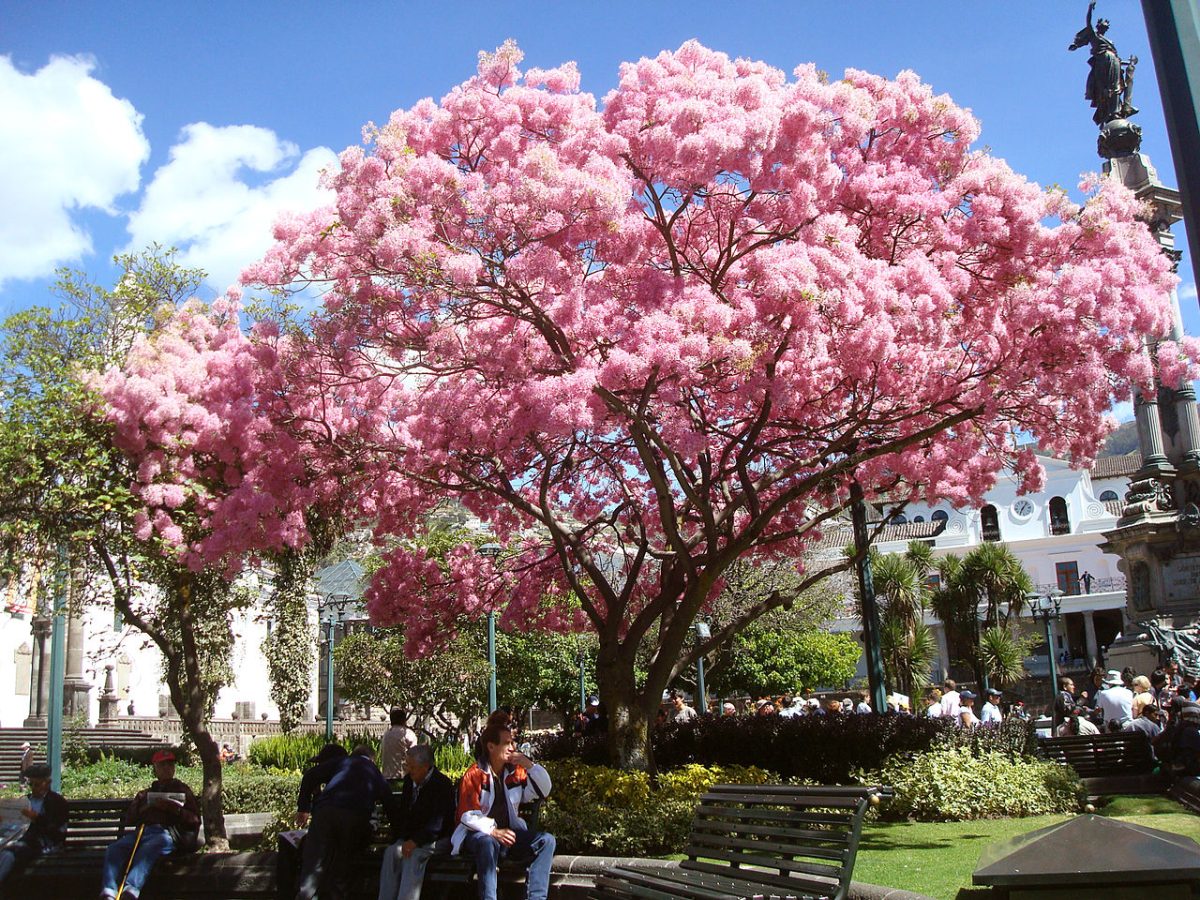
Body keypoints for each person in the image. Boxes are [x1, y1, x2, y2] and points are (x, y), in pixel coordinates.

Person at [453, 722, 555, 900]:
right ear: (491, 747)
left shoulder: (515, 773)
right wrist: (493, 831)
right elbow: (467, 815)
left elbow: (544, 790)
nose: (512, 748)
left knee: (546, 841)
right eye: (507, 743)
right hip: (479, 835)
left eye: (512, 743)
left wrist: (529, 765)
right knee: (487, 842)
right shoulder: (475, 774)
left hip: (508, 835)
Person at [295, 745, 400, 900]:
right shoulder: (375, 772)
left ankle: (306, 895)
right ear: (372, 759)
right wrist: (399, 836)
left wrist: (303, 808)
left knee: (313, 863)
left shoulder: (344, 762)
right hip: (355, 817)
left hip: (325, 812)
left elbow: (310, 775)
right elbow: (391, 806)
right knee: (342, 866)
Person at [99, 749, 201, 900]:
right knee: (114, 849)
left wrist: (176, 811)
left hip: (168, 834)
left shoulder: (183, 790)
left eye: (170, 764)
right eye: (163, 765)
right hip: (143, 832)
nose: (167, 768)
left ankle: (130, 890)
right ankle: (109, 891)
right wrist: (147, 806)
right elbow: (130, 819)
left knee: (151, 847)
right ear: (155, 768)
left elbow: (195, 820)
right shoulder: (145, 793)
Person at [377, 744, 457, 900]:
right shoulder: (409, 781)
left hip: (437, 839)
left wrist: (416, 841)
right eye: (408, 766)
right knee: (392, 852)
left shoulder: (442, 785)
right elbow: (404, 814)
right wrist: (402, 839)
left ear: (426, 767)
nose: (409, 770)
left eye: (412, 767)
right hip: (413, 838)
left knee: (413, 856)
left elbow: (438, 823)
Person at [0, 763, 67, 888]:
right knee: (7, 852)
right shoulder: (26, 800)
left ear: (47, 783)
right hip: (19, 840)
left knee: (10, 854)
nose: (33, 788)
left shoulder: (56, 802)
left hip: (43, 842)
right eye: (31, 784)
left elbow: (58, 830)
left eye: (37, 784)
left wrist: (36, 818)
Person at [380, 707, 419, 782]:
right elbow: (415, 757)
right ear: (404, 720)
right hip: (403, 777)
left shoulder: (386, 734)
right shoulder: (408, 734)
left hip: (387, 777)